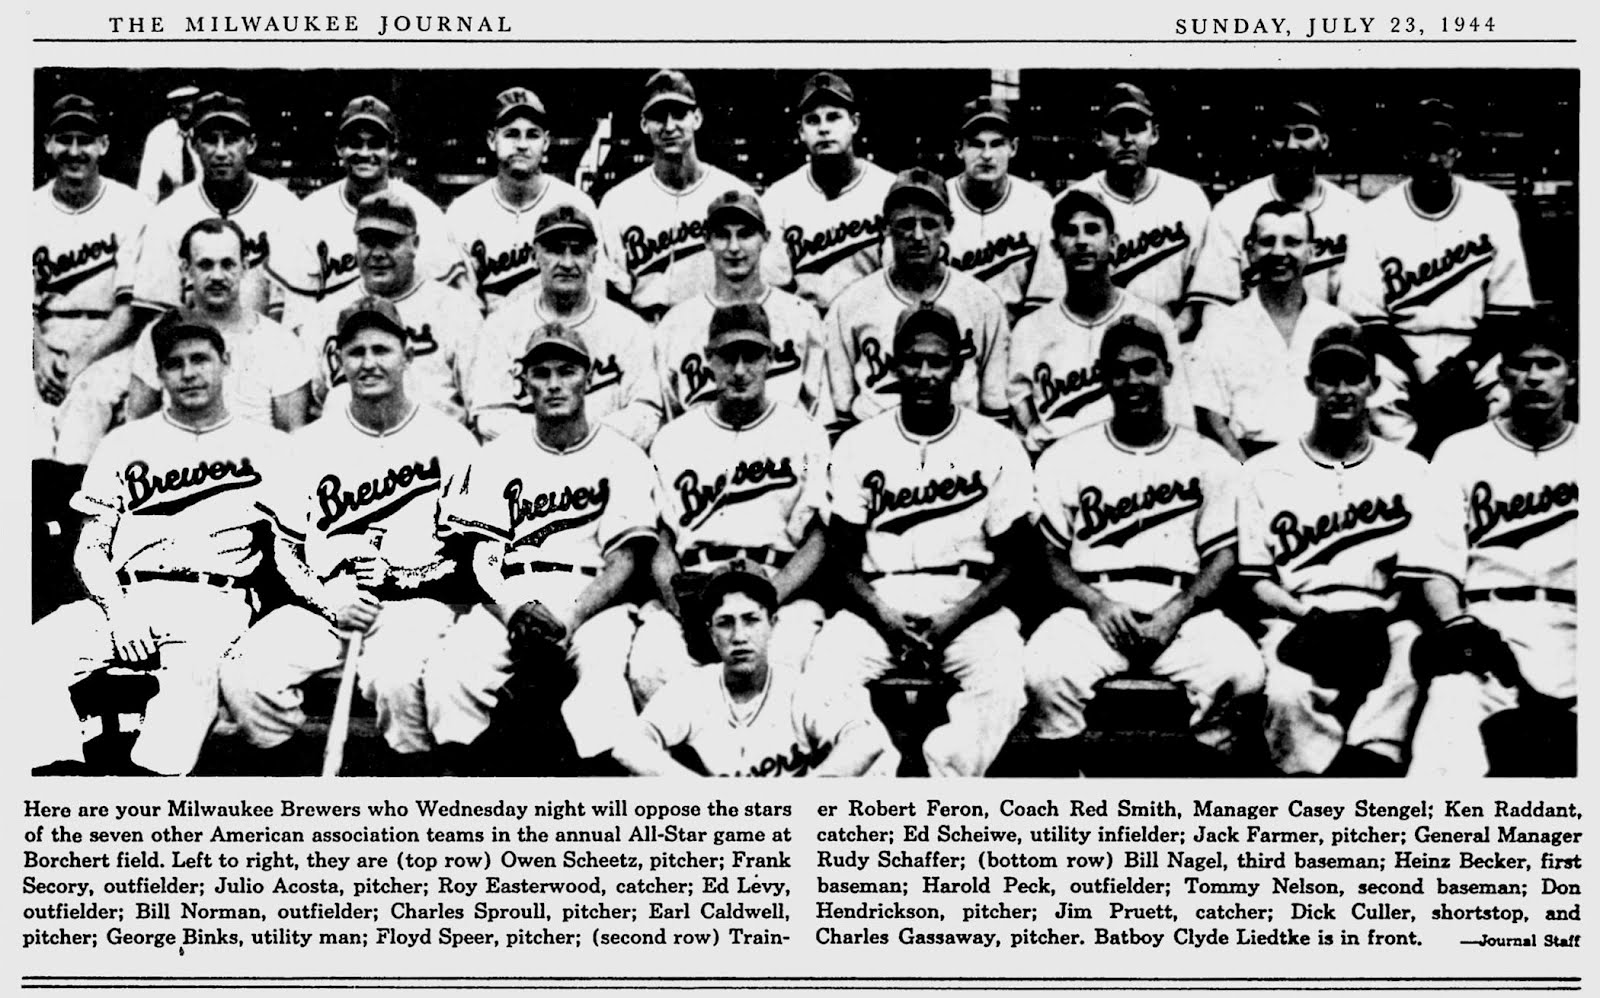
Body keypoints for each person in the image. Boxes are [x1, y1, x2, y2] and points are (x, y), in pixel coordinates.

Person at [220, 298, 479, 775]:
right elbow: (279, 549)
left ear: (407, 354)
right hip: (324, 601)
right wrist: (325, 597)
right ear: (337, 360)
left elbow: (472, 556)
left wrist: (404, 581)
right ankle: (297, 779)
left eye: (382, 349)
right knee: (245, 674)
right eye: (355, 351)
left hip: (413, 605)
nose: (369, 362)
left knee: (396, 680)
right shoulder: (308, 445)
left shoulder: (450, 440)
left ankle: (412, 786)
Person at [30, 318, 289, 775]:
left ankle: (150, 790)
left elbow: (297, 545)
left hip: (214, 597)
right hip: (124, 596)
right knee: (27, 654)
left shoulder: (269, 448)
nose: (188, 373)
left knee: (191, 676)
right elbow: (90, 548)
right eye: (174, 364)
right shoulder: (123, 444)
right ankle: (58, 783)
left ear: (225, 363)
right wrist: (118, 608)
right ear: (160, 375)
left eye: (199, 360)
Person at [1023, 317, 1261, 766]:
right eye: (1120, 370)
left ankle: (1198, 785)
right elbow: (1049, 555)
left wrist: (1178, 611)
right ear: (1102, 377)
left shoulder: (1207, 456)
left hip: (1181, 605)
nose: (1133, 380)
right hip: (1095, 605)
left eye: (1145, 367)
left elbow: (1222, 556)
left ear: (1167, 372)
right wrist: (1094, 603)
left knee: (1241, 672)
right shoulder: (1067, 455)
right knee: (1044, 673)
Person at [809, 304, 1033, 776]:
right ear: (894, 365)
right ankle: (876, 768)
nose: (925, 373)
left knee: (1005, 683)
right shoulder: (858, 443)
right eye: (913, 360)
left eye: (937, 361)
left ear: (958, 366)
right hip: (881, 597)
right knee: (823, 677)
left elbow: (1014, 562)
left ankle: (947, 769)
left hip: (967, 599)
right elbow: (841, 557)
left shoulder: (995, 442)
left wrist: (951, 621)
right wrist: (885, 618)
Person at [434, 322, 658, 774]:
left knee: (603, 682)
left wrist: (572, 616)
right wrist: (515, 610)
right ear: (524, 382)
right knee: (451, 675)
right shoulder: (495, 457)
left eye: (567, 371)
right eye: (541, 373)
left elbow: (625, 560)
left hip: (592, 602)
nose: (554, 384)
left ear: (589, 378)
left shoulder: (622, 454)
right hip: (513, 597)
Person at [1236, 325, 1435, 776]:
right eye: (1329, 377)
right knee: (1286, 691)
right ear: (1310, 384)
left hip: (1383, 614)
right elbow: (1256, 579)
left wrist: (1383, 615)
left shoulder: (1411, 469)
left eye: (1354, 376)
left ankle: (1369, 763)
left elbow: (1422, 570)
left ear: (1373, 385)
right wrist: (1308, 618)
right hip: (1300, 615)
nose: (1341, 390)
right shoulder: (1264, 470)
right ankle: (1315, 783)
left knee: (1412, 655)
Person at [1407, 317, 1577, 777]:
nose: (1535, 377)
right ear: (1502, 374)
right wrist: (1459, 625)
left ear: (1572, 373)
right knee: (1445, 734)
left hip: (1578, 628)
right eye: (1522, 365)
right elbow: (1432, 566)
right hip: (1488, 628)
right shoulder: (1461, 451)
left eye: (1549, 364)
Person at [637, 303, 832, 697]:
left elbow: (817, 539)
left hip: (776, 586)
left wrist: (771, 597)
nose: (740, 370)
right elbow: (661, 539)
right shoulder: (675, 438)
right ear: (708, 361)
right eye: (727, 357)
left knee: (785, 664)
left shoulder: (804, 433)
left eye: (752, 355)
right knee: (652, 667)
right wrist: (684, 609)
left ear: (772, 359)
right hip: (696, 585)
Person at [1338, 98, 1534, 451]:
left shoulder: (1492, 206)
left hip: (1475, 344)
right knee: (1376, 399)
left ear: (1457, 150)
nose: (1431, 158)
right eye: (1420, 146)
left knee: (1508, 392)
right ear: (1406, 151)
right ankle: (1414, 472)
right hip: (1402, 348)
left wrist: (1468, 365)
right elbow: (1366, 318)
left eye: (1441, 146)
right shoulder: (1374, 216)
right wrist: (1419, 368)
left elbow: (1509, 310)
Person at [613, 565, 897, 777]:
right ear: (711, 632)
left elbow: (866, 741)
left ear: (772, 624)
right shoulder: (691, 689)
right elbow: (628, 747)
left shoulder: (800, 688)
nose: (739, 636)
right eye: (725, 622)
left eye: (751, 620)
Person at [824, 167, 1011, 436]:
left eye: (930, 223)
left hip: (959, 440)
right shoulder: (852, 303)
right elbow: (841, 405)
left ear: (948, 227)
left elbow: (995, 403)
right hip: (876, 441)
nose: (919, 235)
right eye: (906, 224)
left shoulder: (982, 302)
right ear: (886, 227)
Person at [1008, 189, 1192, 458]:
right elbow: (1022, 424)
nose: (1081, 241)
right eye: (1070, 232)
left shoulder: (1153, 319)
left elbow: (1180, 415)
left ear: (1113, 242)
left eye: (1092, 230)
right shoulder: (1030, 329)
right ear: (1055, 247)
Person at [470, 204, 662, 447]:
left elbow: (645, 416)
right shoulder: (501, 327)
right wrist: (556, 441)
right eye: (555, 251)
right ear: (534, 256)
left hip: (604, 462)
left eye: (578, 251)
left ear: (593, 257)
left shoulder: (628, 327)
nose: (567, 263)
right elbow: (490, 418)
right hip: (527, 464)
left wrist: (581, 442)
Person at [292, 190, 482, 424]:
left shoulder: (456, 310)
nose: (378, 254)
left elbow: (480, 403)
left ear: (415, 244)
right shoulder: (324, 314)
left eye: (390, 243)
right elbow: (312, 404)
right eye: (368, 243)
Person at [1189, 201, 1357, 460]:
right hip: (1248, 462)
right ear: (1251, 251)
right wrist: (1250, 477)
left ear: (1311, 251)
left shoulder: (1338, 326)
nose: (1279, 252)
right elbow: (1211, 420)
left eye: (1292, 242)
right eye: (1268, 242)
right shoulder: (1221, 328)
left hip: (1327, 464)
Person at [131, 91, 318, 324]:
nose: (220, 152)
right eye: (210, 140)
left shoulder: (284, 208)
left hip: (264, 344)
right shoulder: (169, 215)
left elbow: (290, 306)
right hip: (192, 344)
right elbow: (156, 308)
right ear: (194, 145)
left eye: (230, 140)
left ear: (251, 144)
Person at [33, 95, 150, 460]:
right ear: (48, 144)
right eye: (64, 139)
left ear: (103, 145)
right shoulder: (24, 211)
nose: (74, 151)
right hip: (42, 339)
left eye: (84, 140)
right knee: (27, 420)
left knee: (86, 407)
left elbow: (131, 310)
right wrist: (38, 355)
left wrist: (80, 358)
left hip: (109, 343)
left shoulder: (133, 208)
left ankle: (70, 508)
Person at [599, 69, 763, 323]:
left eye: (679, 114)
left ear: (696, 118)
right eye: (657, 117)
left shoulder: (734, 193)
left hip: (717, 328)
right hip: (648, 326)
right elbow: (614, 290)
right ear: (644, 124)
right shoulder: (617, 202)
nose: (669, 126)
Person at [120, 217, 311, 432]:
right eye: (205, 265)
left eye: (228, 264)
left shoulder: (280, 343)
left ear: (245, 267)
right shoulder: (158, 334)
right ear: (186, 269)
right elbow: (137, 425)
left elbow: (293, 437)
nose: (217, 276)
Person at [656, 190, 828, 419]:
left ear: (765, 239)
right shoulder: (677, 322)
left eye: (745, 234)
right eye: (722, 235)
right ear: (707, 241)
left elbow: (819, 409)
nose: (734, 247)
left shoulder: (801, 315)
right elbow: (671, 413)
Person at [1188, 101, 1364, 322]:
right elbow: (1216, 305)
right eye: (1281, 135)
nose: (1291, 145)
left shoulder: (1353, 213)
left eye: (1303, 134)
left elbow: (1358, 308)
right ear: (1268, 143)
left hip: (1328, 341)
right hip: (1251, 340)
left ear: (1324, 141)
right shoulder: (1233, 209)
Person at [1065, 82, 1211, 340]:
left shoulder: (1188, 198)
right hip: (1093, 343)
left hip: (1173, 339)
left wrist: (1169, 336)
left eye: (1136, 129)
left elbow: (1202, 298)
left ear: (1154, 134)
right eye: (1114, 130)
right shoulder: (1072, 201)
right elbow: (1058, 297)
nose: (1127, 139)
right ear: (1098, 137)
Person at [445, 86, 607, 313]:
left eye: (532, 135)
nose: (522, 145)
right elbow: (462, 305)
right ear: (492, 140)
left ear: (546, 143)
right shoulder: (464, 212)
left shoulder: (576, 203)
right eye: (511, 134)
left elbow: (597, 291)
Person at [758, 71, 895, 314]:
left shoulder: (887, 190)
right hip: (807, 324)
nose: (823, 129)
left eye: (833, 118)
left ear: (854, 123)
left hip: (872, 320)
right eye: (813, 120)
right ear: (801, 131)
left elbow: (897, 281)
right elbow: (775, 288)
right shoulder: (779, 198)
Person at [300, 95, 461, 298]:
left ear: (392, 150)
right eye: (354, 143)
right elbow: (297, 313)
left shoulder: (425, 214)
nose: (365, 153)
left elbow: (443, 300)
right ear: (339, 148)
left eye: (375, 144)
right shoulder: (308, 214)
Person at [945, 95, 1062, 324]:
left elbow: (1045, 297)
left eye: (997, 144)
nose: (987, 155)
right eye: (976, 144)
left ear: (1013, 148)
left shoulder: (1038, 204)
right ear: (959, 149)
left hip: (1016, 338)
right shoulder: (940, 201)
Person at [135, 84, 200, 204]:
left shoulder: (206, 130)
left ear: (197, 103)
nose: (182, 106)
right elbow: (148, 183)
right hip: (178, 204)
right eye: (177, 102)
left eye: (187, 101)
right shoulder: (160, 135)